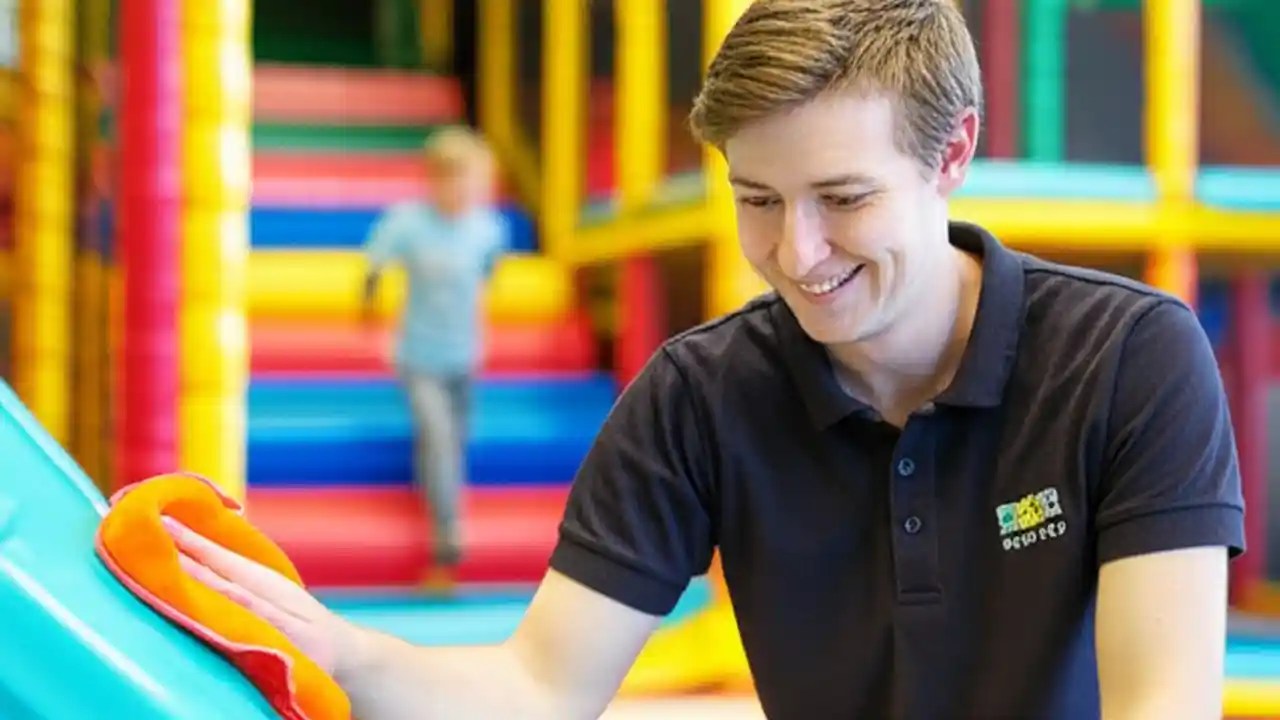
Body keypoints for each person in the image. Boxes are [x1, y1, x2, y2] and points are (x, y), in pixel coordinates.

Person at [166, 1, 1245, 717]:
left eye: (842, 198)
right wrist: (336, 648)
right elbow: (540, 686)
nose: (794, 253)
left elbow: (1161, 707)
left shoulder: (1128, 357)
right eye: (757, 201)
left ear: (951, 152)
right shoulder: (699, 396)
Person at [360, 126, 508, 585]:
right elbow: (375, 264)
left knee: (453, 439)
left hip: (465, 355)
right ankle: (447, 534)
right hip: (418, 355)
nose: (464, 193)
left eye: (474, 184)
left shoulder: (487, 227)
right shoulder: (408, 222)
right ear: (434, 181)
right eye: (455, 182)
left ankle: (436, 490)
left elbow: (489, 266)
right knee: (438, 433)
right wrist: (370, 302)